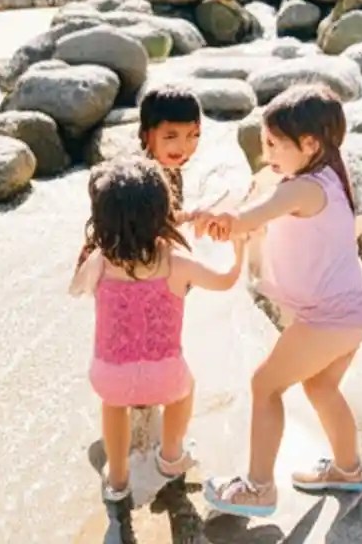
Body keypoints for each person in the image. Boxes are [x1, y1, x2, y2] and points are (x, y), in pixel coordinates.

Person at [194, 85, 362, 517]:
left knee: (265, 385)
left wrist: (223, 221)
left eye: (274, 144)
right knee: (321, 386)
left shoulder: (302, 189)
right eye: (264, 143)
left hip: (331, 316)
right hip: (353, 305)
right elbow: (262, 198)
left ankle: (259, 488)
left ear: (310, 144)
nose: (266, 153)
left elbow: (250, 217)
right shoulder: (326, 173)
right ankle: (348, 470)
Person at [70, 157, 245, 511]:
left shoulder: (100, 261)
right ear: (163, 213)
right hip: (165, 374)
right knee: (185, 390)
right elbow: (225, 280)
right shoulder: (175, 261)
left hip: (109, 375)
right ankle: (170, 456)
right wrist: (240, 251)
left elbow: (76, 289)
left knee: (114, 407)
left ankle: (117, 481)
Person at [139, 84, 202, 217]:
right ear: (145, 135)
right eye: (170, 137)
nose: (182, 147)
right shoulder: (140, 180)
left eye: (193, 135)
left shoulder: (171, 167)